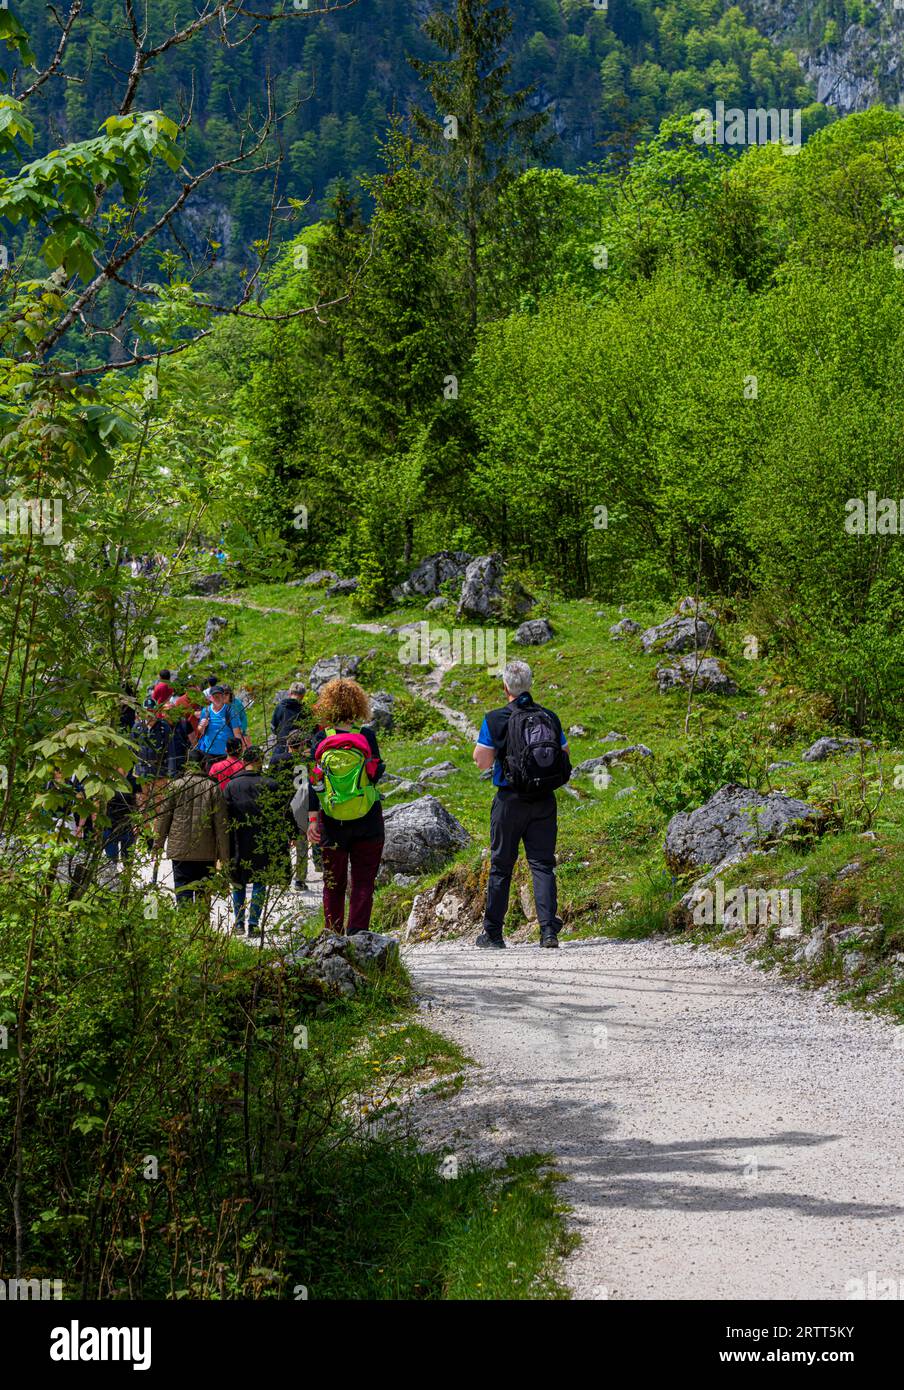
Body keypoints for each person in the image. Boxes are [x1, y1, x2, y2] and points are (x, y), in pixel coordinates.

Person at [472, 660, 571, 950]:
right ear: (530, 684)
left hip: (509, 800)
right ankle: (548, 931)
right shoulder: (549, 716)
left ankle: (493, 934)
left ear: (505, 687)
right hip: (543, 800)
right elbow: (563, 752)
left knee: (501, 865)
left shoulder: (495, 718)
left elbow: (481, 761)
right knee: (542, 864)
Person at [307, 678, 385, 935]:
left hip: (332, 821)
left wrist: (312, 821)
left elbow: (313, 783)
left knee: (333, 884)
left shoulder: (320, 738)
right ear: (358, 705)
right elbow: (374, 775)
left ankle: (333, 937)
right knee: (363, 882)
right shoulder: (367, 736)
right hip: (368, 821)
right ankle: (359, 935)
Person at [223, 746, 294, 936]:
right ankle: (253, 923)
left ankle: (238, 923)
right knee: (260, 881)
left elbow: (225, 816)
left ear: (244, 761)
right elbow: (284, 812)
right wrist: (292, 833)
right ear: (260, 761)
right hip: (263, 839)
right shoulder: (272, 784)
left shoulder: (231, 786)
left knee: (238, 881)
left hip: (238, 839)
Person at [153, 749, 228, 909]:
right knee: (203, 895)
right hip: (206, 853)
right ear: (204, 765)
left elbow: (163, 818)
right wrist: (224, 856)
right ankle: (201, 930)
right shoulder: (213, 788)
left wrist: (157, 844)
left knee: (183, 892)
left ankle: (185, 928)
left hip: (180, 852)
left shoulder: (175, 786)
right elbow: (221, 825)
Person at [268, 729, 309, 890]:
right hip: (299, 802)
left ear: (287, 743)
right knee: (301, 841)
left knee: (280, 840)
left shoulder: (276, 759)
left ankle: (281, 874)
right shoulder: (305, 761)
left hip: (280, 803)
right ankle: (300, 879)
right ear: (303, 744)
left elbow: (269, 781)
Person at [196, 685, 242, 770]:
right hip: (209, 753)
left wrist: (238, 753)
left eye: (219, 695)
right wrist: (202, 726)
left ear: (223, 696)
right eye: (214, 696)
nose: (217, 698)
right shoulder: (206, 711)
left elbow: (237, 734)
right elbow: (200, 731)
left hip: (227, 754)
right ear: (210, 698)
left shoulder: (230, 711)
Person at [102, 768, 139, 862]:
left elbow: (139, 803)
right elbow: (102, 804)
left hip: (128, 827)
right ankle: (111, 876)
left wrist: (137, 823)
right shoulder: (107, 781)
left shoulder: (134, 781)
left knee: (128, 861)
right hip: (110, 826)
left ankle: (128, 875)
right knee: (110, 861)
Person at [271, 682, 306, 749]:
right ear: (302, 696)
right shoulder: (305, 710)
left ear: (290, 693)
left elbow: (273, 727)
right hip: (300, 746)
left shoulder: (280, 707)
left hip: (282, 745)